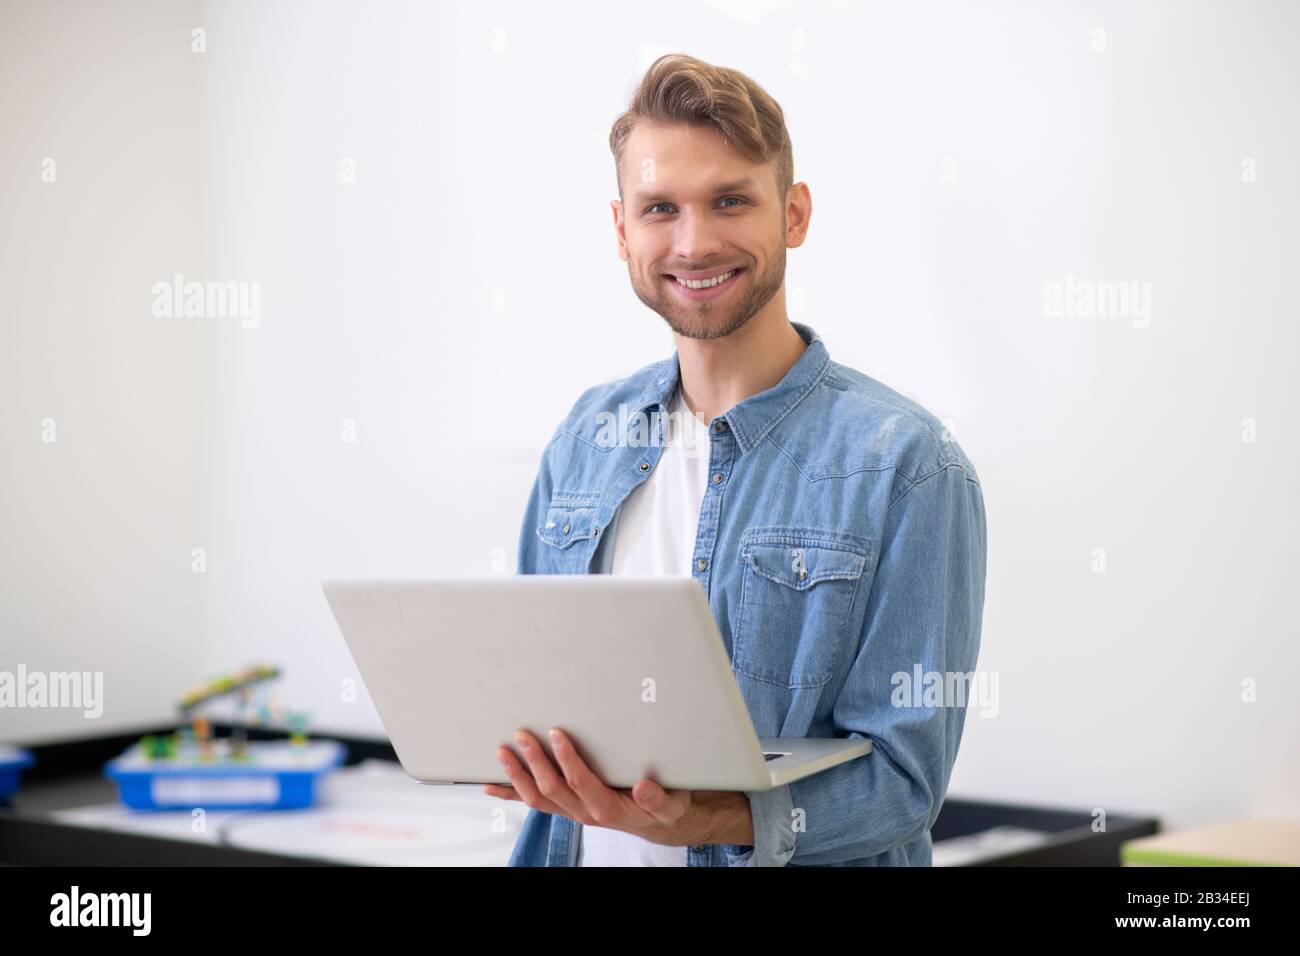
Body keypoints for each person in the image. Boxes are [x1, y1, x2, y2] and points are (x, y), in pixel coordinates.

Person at [485, 53, 987, 867]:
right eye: (659, 209)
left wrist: (709, 820)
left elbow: (904, 783)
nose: (694, 242)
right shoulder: (586, 435)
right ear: (622, 231)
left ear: (794, 214)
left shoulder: (910, 465)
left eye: (730, 201)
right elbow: (538, 693)